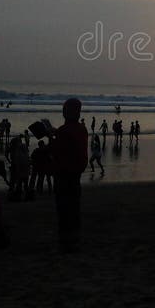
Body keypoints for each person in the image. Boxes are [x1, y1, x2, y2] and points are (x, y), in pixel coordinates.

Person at [51, 98, 88, 252]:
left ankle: (66, 242)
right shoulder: (81, 129)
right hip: (75, 174)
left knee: (64, 209)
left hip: (64, 174)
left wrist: (53, 136)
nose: (63, 111)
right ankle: (74, 240)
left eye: (65, 109)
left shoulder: (65, 131)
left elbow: (58, 150)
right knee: (73, 208)